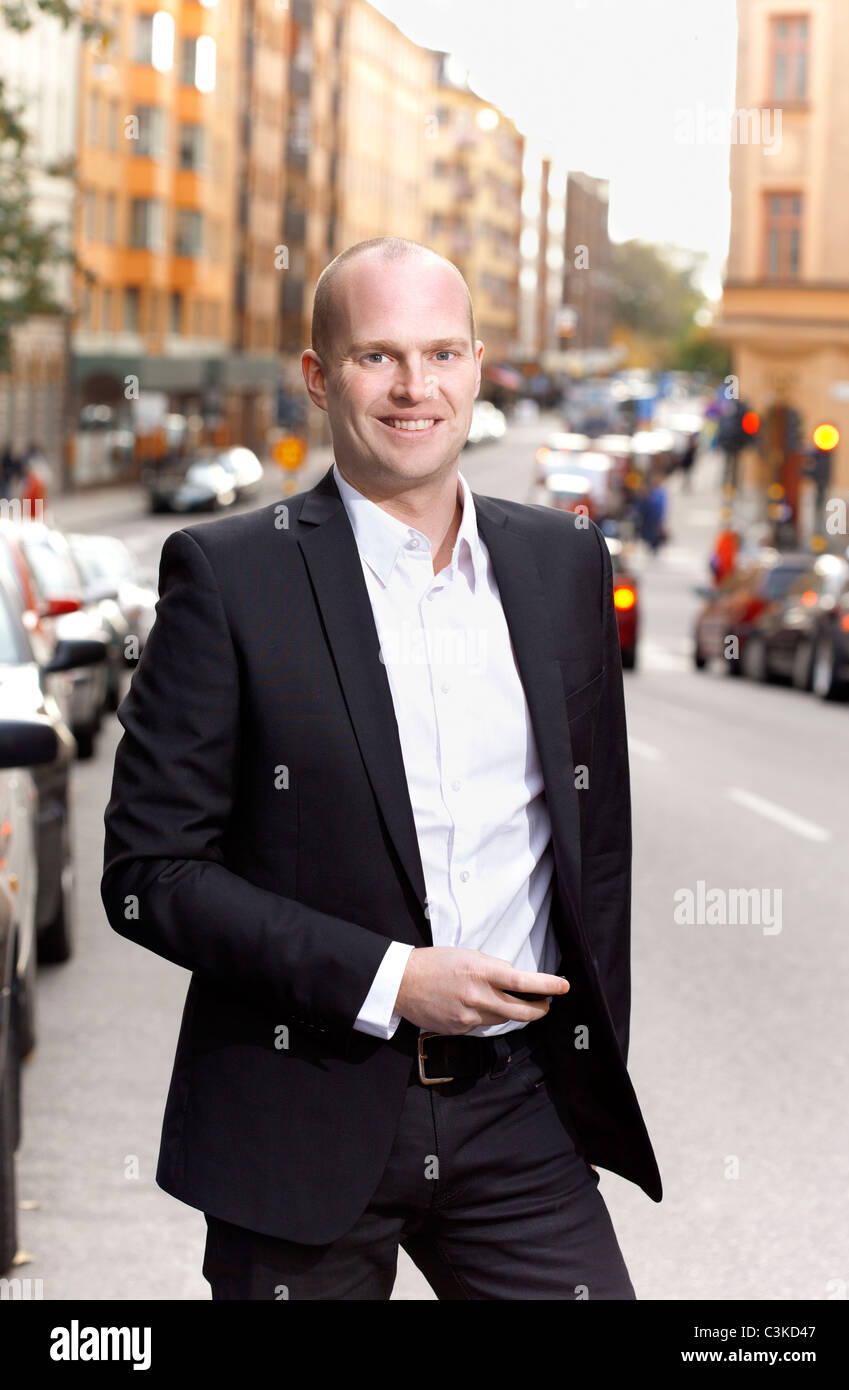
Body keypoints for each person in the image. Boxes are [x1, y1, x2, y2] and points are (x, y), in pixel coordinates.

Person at [101, 236, 662, 1301]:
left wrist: (586, 1069)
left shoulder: (561, 562)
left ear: (477, 367)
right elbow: (148, 874)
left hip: (515, 1114)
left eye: (442, 353)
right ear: (318, 377)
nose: (416, 387)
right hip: (299, 1109)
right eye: (377, 357)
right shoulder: (229, 574)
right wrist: (390, 979)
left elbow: (597, 851)